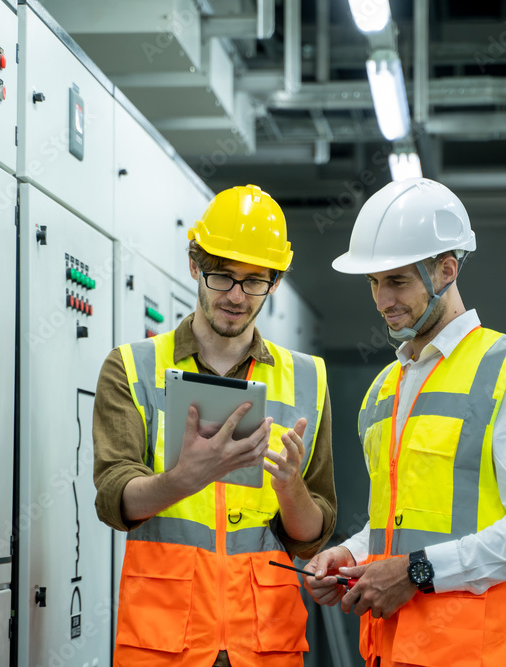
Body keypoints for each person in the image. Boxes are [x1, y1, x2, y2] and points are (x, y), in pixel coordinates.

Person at [304, 178, 506, 667]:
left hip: (472, 655)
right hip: (390, 651)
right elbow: (401, 522)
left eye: (397, 280)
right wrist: (352, 554)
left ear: (446, 270)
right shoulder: (388, 385)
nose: (382, 299)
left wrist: (417, 573)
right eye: (373, 282)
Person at [92, 184, 336, 667]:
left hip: (266, 642)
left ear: (275, 282)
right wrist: (184, 478)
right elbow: (112, 501)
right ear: (194, 267)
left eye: (254, 280)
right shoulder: (132, 367)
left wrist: (291, 491)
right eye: (222, 276)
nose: (236, 296)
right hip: (164, 643)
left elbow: (313, 532)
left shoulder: (309, 378)